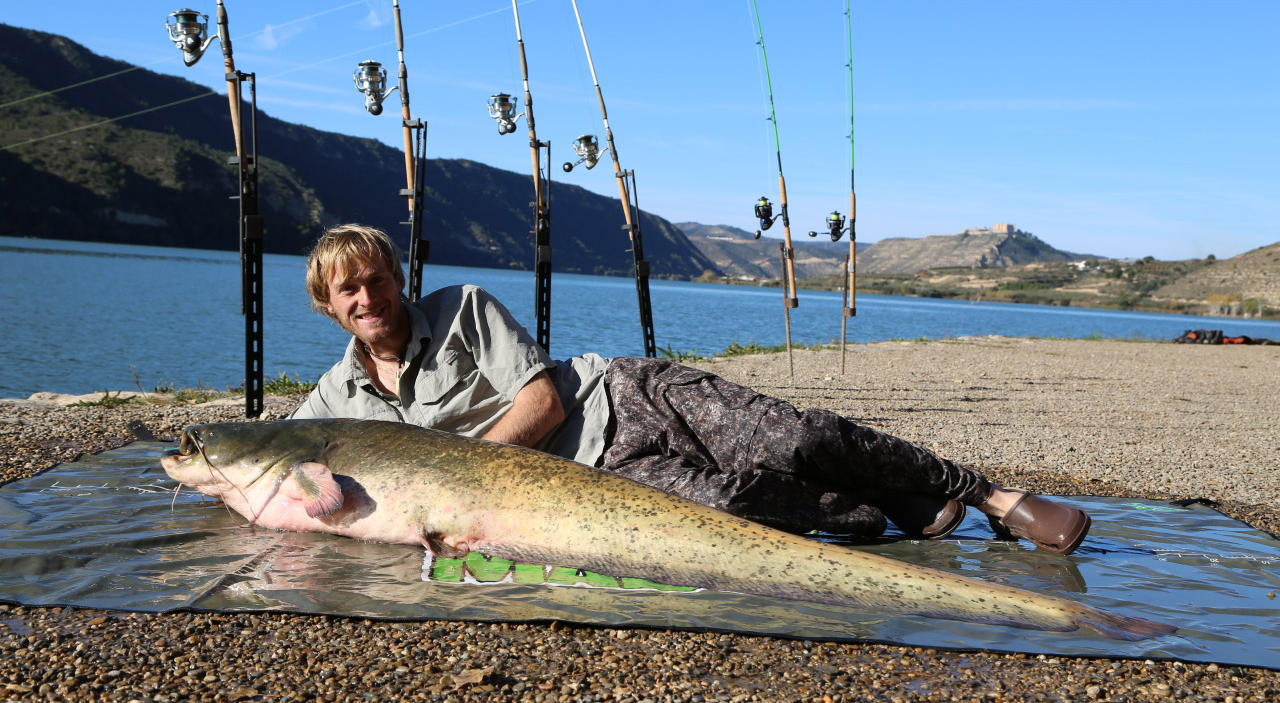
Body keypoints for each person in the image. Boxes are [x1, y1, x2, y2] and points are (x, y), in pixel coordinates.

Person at [290, 224, 1091, 554]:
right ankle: (885, 504)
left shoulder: (463, 308)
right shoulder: (335, 393)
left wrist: (458, 474)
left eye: (376, 279)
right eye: (347, 291)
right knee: (736, 506)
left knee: (797, 437)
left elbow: (543, 403)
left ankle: (989, 495)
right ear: (328, 308)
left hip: (624, 398)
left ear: (398, 278)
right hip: (590, 478)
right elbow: (265, 448)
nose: (367, 299)